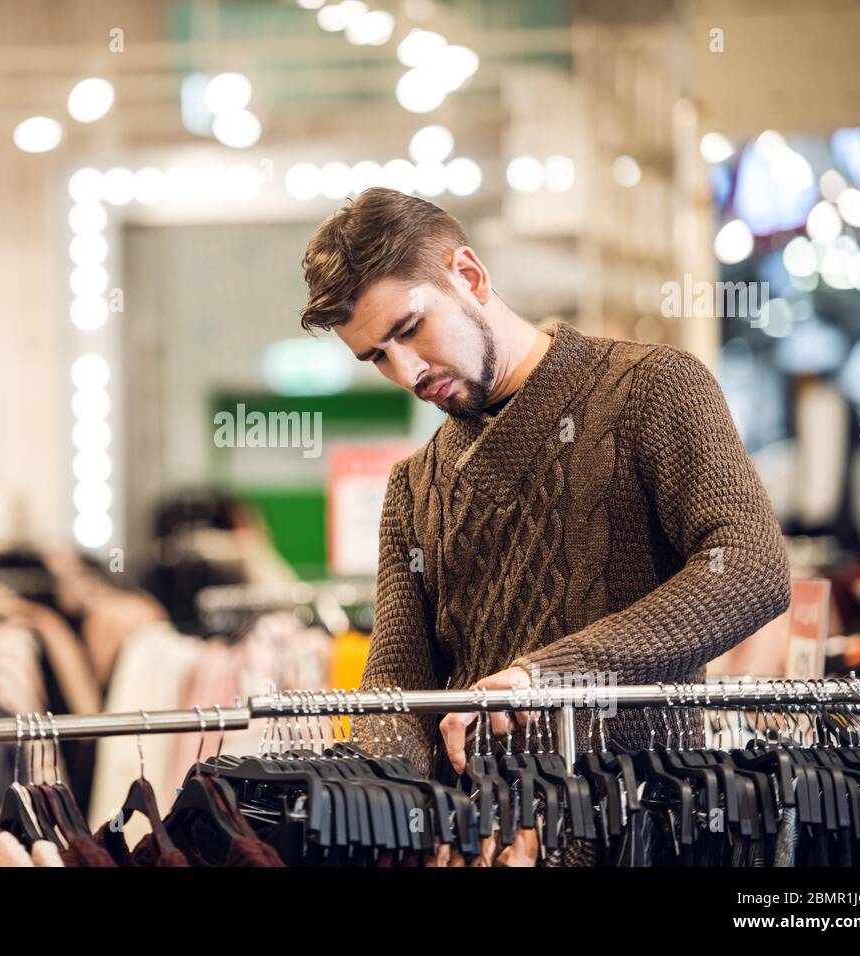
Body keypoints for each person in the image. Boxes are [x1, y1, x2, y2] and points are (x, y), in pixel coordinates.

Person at [298, 187, 790, 783]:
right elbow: (399, 685)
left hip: (642, 822)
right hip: (481, 835)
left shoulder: (652, 388)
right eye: (376, 356)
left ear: (470, 275)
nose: (406, 372)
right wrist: (358, 795)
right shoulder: (414, 485)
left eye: (410, 329)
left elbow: (750, 566)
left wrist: (548, 677)